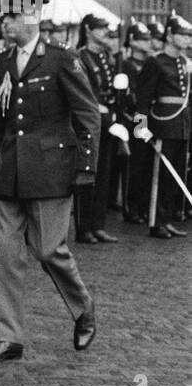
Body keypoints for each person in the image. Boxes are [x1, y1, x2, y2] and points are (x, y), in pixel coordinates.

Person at [0, 0, 100, 360]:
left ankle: (83, 308)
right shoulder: (2, 61)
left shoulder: (60, 60)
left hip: (51, 171)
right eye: (4, 17)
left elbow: (88, 115)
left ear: (30, 19)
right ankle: (11, 337)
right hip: (10, 172)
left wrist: (86, 166)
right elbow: (0, 120)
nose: (4, 23)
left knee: (49, 250)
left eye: (11, 17)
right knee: (7, 253)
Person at [133, 12, 192, 238]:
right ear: (170, 35)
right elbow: (143, 98)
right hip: (162, 124)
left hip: (181, 124)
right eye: (183, 35)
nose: (188, 39)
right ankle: (155, 221)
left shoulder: (185, 64)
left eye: (189, 35)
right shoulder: (155, 62)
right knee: (159, 175)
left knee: (175, 175)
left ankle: (166, 219)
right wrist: (141, 127)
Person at [74, 14, 125, 243]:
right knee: (88, 174)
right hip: (90, 122)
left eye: (107, 28)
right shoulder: (81, 57)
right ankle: (84, 227)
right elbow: (84, 94)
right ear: (88, 30)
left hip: (108, 120)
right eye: (101, 28)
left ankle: (98, 224)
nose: (105, 32)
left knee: (104, 174)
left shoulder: (106, 57)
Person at [120, 21, 156, 222]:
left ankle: (143, 206)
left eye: (148, 39)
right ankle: (131, 207)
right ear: (132, 41)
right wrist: (141, 125)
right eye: (142, 39)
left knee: (148, 166)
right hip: (135, 120)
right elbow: (130, 99)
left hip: (152, 119)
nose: (147, 42)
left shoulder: (152, 63)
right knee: (135, 165)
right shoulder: (126, 64)